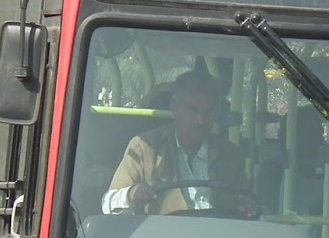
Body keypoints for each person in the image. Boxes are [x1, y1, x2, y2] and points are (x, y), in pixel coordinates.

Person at [102, 68, 252, 216]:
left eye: (210, 112)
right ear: (174, 108)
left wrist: (244, 204)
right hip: (161, 237)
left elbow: (248, 200)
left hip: (219, 236)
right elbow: (108, 203)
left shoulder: (231, 154)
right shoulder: (144, 147)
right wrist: (130, 194)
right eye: (193, 110)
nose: (201, 120)